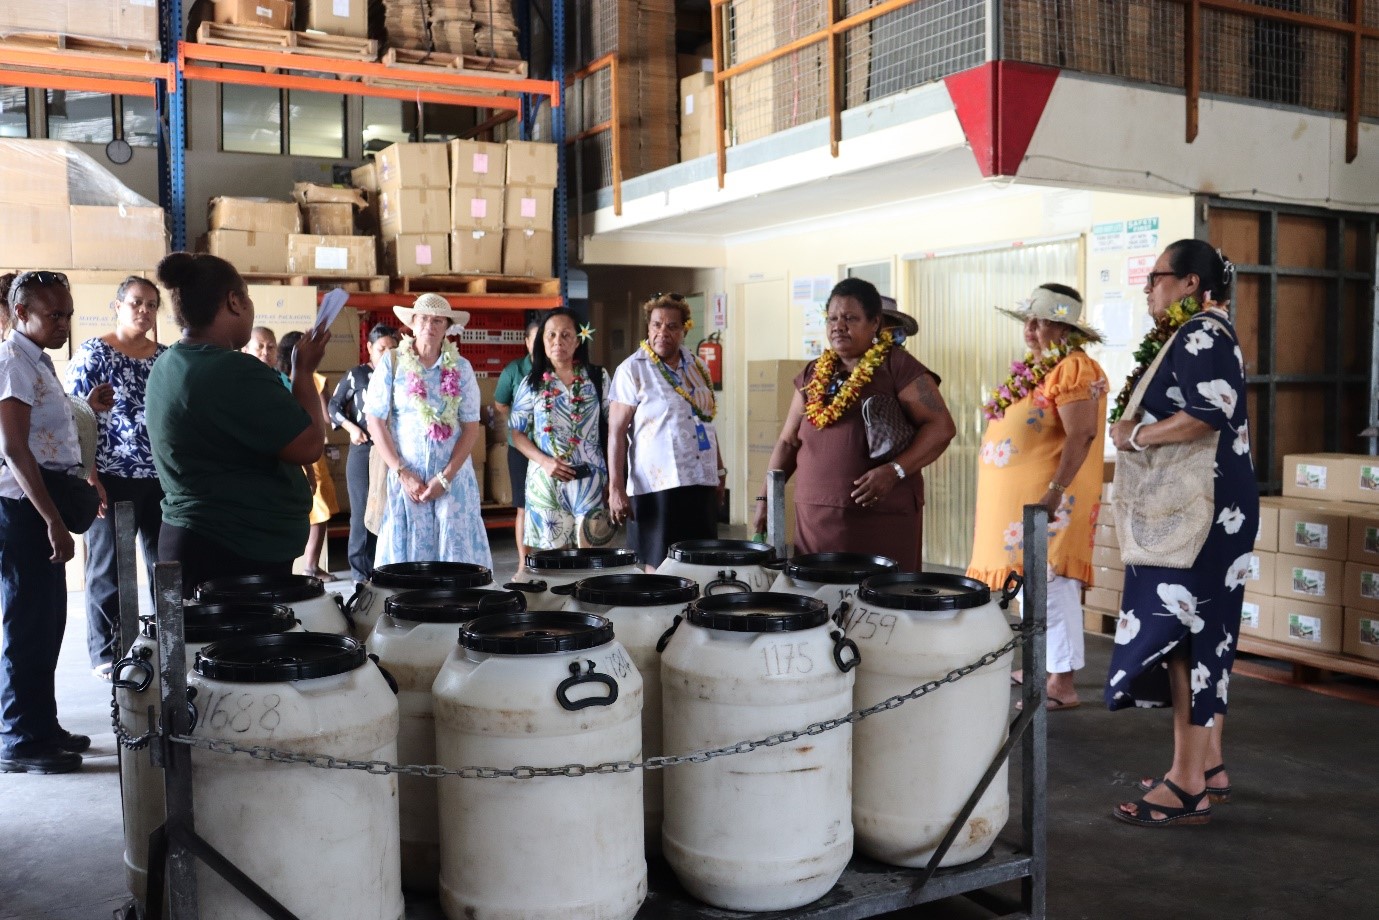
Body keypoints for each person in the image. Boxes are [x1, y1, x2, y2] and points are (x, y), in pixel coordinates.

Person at [1106, 239, 1257, 827]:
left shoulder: (1201, 334)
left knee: (1188, 643)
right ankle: (1208, 765)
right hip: (1214, 512)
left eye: (1156, 278)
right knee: (1201, 638)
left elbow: (1203, 415)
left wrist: (1134, 437)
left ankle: (1187, 784)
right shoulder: (1208, 333)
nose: (1148, 289)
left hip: (1200, 518)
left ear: (1190, 283)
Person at [146, 253, 329, 597]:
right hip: (232, 551)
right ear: (234, 301)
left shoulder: (168, 362)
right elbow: (309, 446)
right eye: (247, 297)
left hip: (198, 540)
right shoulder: (232, 371)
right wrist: (303, 372)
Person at [966, 284, 1108, 710]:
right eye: (1027, 320)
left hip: (1052, 496)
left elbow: (1081, 432)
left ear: (1063, 327)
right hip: (1022, 503)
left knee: (1052, 583)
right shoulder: (1039, 367)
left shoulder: (1075, 368)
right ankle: (1039, 666)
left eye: (1040, 321)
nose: (1029, 329)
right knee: (1030, 583)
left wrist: (1055, 490)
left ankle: (1061, 683)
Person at [753, 278, 955, 570]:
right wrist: (765, 497)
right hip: (815, 521)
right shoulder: (813, 373)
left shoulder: (897, 365)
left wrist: (895, 471)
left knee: (879, 605)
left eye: (850, 318)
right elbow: (788, 441)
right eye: (832, 318)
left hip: (878, 517)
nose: (839, 326)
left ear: (875, 323)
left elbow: (941, 428)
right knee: (818, 602)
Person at [0, 271, 90, 773]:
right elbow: (13, 448)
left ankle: (42, 724)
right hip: (23, 509)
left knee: (47, 621)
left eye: (67, 313)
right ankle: (20, 739)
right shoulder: (13, 360)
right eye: (53, 314)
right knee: (28, 624)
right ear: (21, 315)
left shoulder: (36, 359)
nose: (63, 323)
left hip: (42, 503)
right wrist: (52, 520)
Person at [64, 276, 168, 679]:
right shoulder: (96, 352)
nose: (144, 311)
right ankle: (107, 651)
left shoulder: (166, 357)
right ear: (118, 306)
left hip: (159, 478)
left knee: (164, 561)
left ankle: (165, 639)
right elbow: (76, 417)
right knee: (108, 565)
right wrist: (89, 475)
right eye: (136, 303)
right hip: (109, 474)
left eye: (152, 305)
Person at [364, 293, 490, 569]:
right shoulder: (392, 362)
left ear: (447, 327)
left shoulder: (461, 367)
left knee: (455, 558)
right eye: (423, 319)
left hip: (452, 482)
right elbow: (375, 420)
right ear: (411, 323)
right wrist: (401, 472)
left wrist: (444, 478)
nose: (429, 326)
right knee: (407, 561)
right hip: (406, 482)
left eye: (437, 320)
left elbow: (471, 428)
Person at [607, 293, 724, 569]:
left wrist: (719, 471)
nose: (663, 332)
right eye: (657, 324)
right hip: (657, 485)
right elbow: (616, 432)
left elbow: (706, 420)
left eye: (672, 326)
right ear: (648, 327)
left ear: (684, 329)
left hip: (699, 480)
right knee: (659, 567)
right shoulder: (632, 370)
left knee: (701, 564)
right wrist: (616, 487)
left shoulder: (698, 367)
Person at [509, 308, 611, 553]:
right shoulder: (531, 383)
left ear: (578, 340)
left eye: (566, 335)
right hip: (546, 483)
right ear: (542, 342)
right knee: (554, 566)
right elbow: (517, 433)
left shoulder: (597, 378)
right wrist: (545, 462)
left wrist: (617, 479)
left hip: (590, 483)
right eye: (551, 335)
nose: (558, 341)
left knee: (592, 560)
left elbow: (616, 427)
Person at [329, 323, 398, 583]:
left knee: (389, 511)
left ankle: (385, 569)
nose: (387, 355)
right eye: (382, 349)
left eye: (393, 349)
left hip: (392, 450)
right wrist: (349, 428)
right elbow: (334, 406)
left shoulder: (403, 376)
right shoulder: (356, 375)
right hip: (364, 448)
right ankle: (360, 573)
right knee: (361, 512)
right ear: (369, 348)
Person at [277, 331, 339, 579]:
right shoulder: (313, 379)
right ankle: (311, 565)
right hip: (310, 451)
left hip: (289, 452)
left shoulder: (279, 378)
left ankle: (306, 565)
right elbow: (327, 417)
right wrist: (322, 391)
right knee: (319, 511)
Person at [493, 317, 540, 566]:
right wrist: (520, 419)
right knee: (523, 506)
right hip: (520, 448)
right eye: (537, 339)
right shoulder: (514, 370)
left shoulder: (558, 370)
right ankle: (524, 562)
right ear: (527, 342)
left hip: (550, 450)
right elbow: (500, 403)